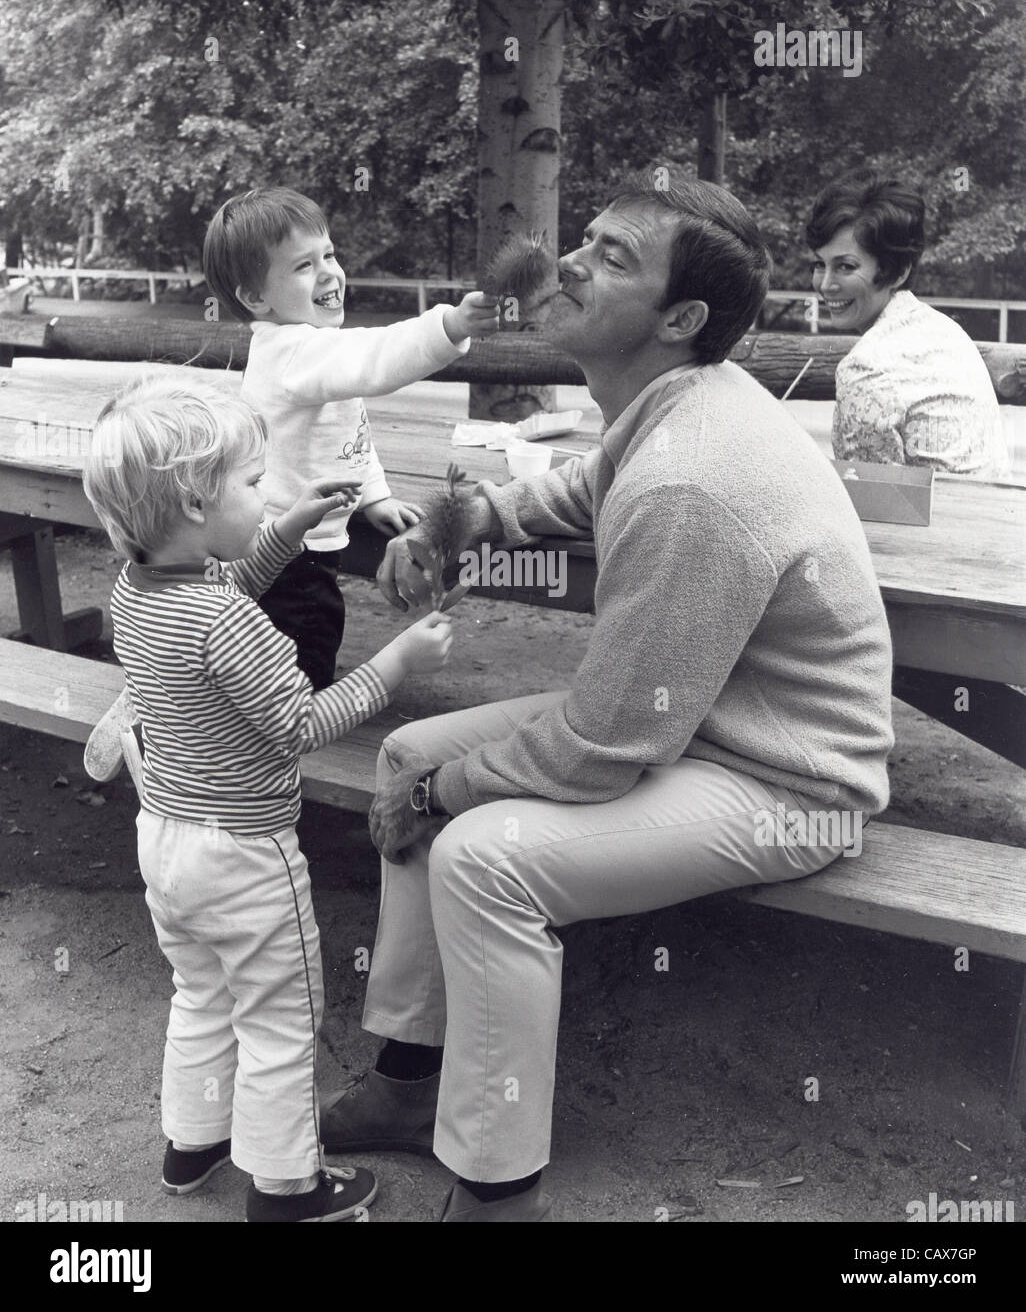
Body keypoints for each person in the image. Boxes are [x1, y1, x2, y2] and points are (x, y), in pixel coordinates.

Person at [319, 174, 896, 1222]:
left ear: (681, 321)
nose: (571, 260)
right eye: (585, 237)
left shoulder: (692, 479)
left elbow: (610, 740)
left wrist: (455, 792)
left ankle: (501, 1192)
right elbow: (579, 487)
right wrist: (461, 519)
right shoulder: (669, 405)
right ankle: (409, 1084)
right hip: (694, 733)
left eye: (614, 256)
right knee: (405, 757)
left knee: (480, 855)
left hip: (781, 778)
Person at [82, 378, 453, 1222]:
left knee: (202, 995)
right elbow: (300, 723)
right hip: (248, 857)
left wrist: (282, 532)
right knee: (284, 1020)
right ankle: (288, 1187)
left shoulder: (138, 593)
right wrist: (395, 665)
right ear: (193, 501)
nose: (266, 493)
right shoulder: (229, 624)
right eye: (254, 485)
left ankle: (193, 1139)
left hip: (167, 842)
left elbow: (224, 591)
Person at [204, 185, 499, 689]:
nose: (329, 274)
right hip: (289, 551)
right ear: (255, 298)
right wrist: (448, 325)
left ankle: (221, 704)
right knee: (305, 647)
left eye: (329, 254)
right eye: (303, 266)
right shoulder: (292, 351)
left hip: (294, 539)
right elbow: (375, 359)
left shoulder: (310, 349)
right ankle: (289, 733)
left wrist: (374, 496)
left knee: (271, 645)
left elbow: (348, 436)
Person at [805, 171, 1009, 477]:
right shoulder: (944, 330)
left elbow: (871, 505)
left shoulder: (866, 368)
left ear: (897, 272)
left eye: (846, 266)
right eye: (820, 264)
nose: (825, 284)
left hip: (944, 522)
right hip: (988, 517)